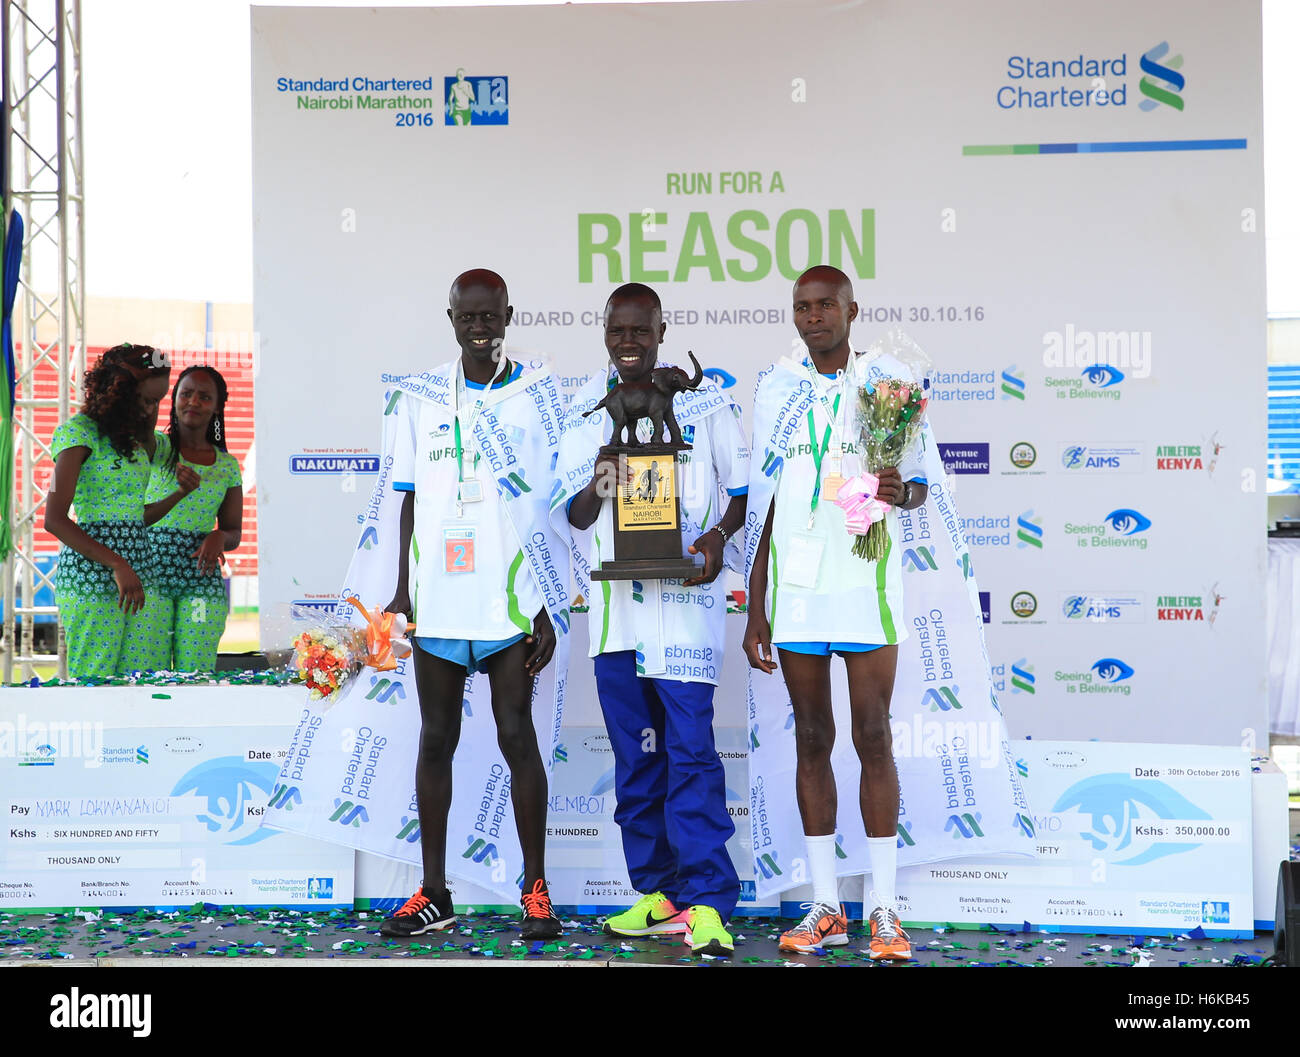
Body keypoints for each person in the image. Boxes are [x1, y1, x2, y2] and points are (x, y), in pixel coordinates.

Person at [743, 265, 928, 960]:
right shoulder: (777, 389)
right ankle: (826, 904)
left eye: (825, 305)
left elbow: (920, 492)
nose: (813, 316)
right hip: (797, 587)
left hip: (866, 577)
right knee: (812, 736)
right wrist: (755, 603)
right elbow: (763, 501)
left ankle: (884, 907)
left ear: (853, 309)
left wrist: (897, 488)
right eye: (802, 306)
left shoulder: (889, 383)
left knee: (874, 733)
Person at [379, 269, 570, 940]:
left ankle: (535, 888)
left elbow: (553, 505)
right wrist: (403, 590)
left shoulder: (536, 394)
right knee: (436, 739)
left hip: (510, 599)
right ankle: (434, 891)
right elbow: (407, 496)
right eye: (468, 317)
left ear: (509, 314)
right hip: (438, 602)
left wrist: (547, 600)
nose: (479, 327)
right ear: (451, 317)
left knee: (517, 737)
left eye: (490, 315)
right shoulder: (423, 395)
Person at [560, 283, 749, 958]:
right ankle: (660, 893)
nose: (629, 341)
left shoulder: (708, 404)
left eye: (641, 329)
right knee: (637, 760)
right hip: (616, 617)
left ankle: (709, 902)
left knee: (692, 754)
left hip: (687, 611)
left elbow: (744, 493)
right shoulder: (587, 412)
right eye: (618, 330)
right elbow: (575, 516)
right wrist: (602, 477)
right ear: (605, 332)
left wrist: (719, 540)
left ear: (663, 329)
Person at [44, 343, 193, 678]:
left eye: (158, 401)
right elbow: (53, 520)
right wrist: (117, 563)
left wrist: (178, 495)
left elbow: (133, 520)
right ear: (119, 392)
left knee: (144, 681)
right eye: (145, 400)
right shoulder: (78, 434)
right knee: (95, 683)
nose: (151, 409)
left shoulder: (138, 442)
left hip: (142, 577)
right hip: (92, 580)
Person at [130, 365, 243, 671]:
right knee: (146, 673)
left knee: (196, 672)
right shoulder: (155, 446)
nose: (193, 402)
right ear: (173, 399)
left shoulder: (227, 466)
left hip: (200, 577)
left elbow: (234, 531)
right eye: (186, 393)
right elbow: (135, 426)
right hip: (149, 575)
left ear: (217, 407)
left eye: (204, 397)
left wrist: (219, 536)